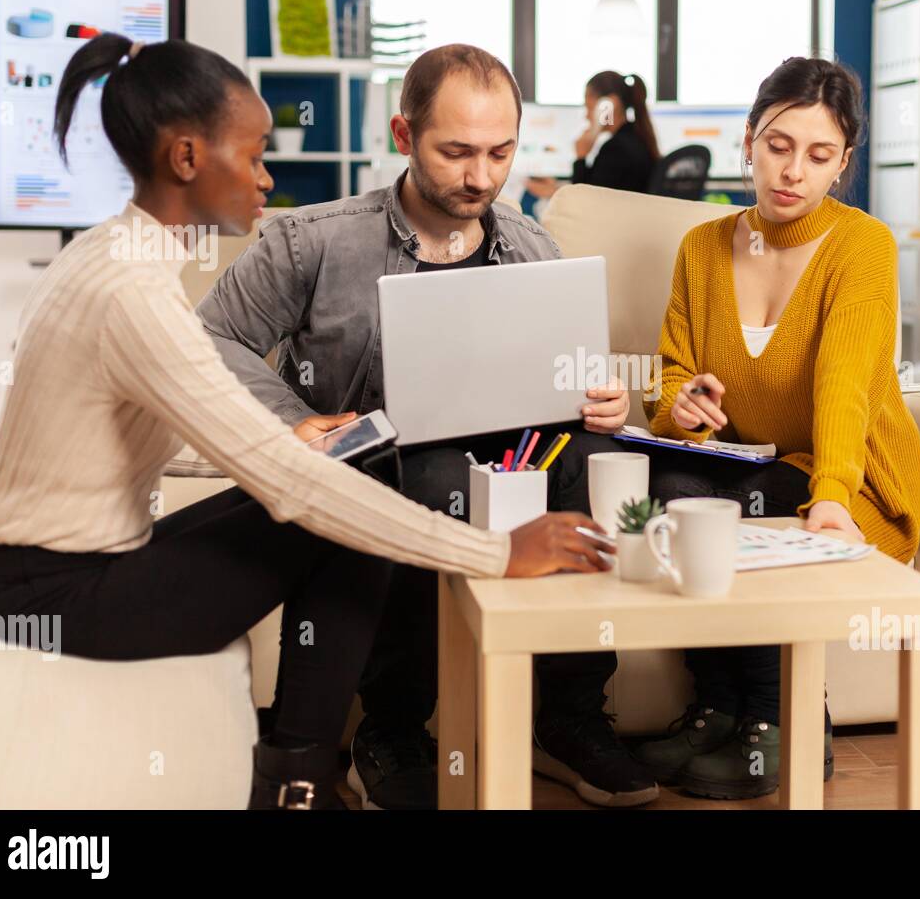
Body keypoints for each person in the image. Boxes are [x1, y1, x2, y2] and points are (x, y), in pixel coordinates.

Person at [0, 34, 613, 811]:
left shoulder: (121, 255)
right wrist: (494, 552)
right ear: (188, 159)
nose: (268, 177)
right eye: (255, 153)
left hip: (66, 565)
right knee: (335, 496)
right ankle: (297, 781)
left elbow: (192, 439)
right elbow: (291, 491)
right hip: (49, 594)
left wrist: (288, 438)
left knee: (352, 470)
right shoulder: (131, 292)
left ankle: (294, 773)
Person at [196, 43, 659, 810]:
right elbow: (209, 338)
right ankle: (392, 728)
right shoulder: (313, 240)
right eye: (456, 152)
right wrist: (294, 420)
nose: (480, 177)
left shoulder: (530, 245)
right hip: (391, 468)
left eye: (500, 152)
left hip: (516, 454)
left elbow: (578, 376)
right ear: (404, 137)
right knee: (434, 481)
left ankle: (567, 718)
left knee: (603, 459)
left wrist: (603, 397)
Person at [632, 56, 920, 800]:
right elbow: (669, 376)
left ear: (843, 164)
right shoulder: (703, 247)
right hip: (742, 459)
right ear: (750, 143)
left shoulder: (863, 247)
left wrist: (831, 496)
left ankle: (787, 719)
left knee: (756, 500)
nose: (793, 171)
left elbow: (843, 386)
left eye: (819, 155)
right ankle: (718, 703)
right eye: (778, 145)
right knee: (674, 484)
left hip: (844, 469)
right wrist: (682, 406)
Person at [525, 70, 660, 200]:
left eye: (589, 107)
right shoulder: (636, 140)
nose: (586, 116)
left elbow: (585, 202)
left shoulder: (616, 149)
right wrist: (556, 188)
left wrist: (581, 156)